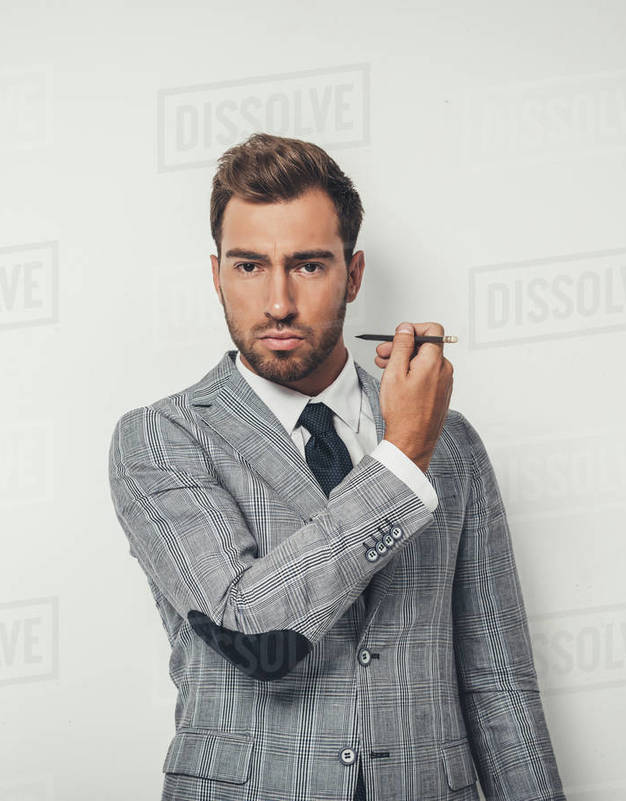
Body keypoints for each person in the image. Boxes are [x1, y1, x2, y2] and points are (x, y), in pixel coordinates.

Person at [107, 132, 566, 801]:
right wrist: (401, 458)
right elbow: (255, 632)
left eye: (309, 266)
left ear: (352, 274)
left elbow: (497, 679)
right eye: (249, 266)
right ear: (216, 275)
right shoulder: (160, 438)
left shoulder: (452, 442)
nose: (278, 303)